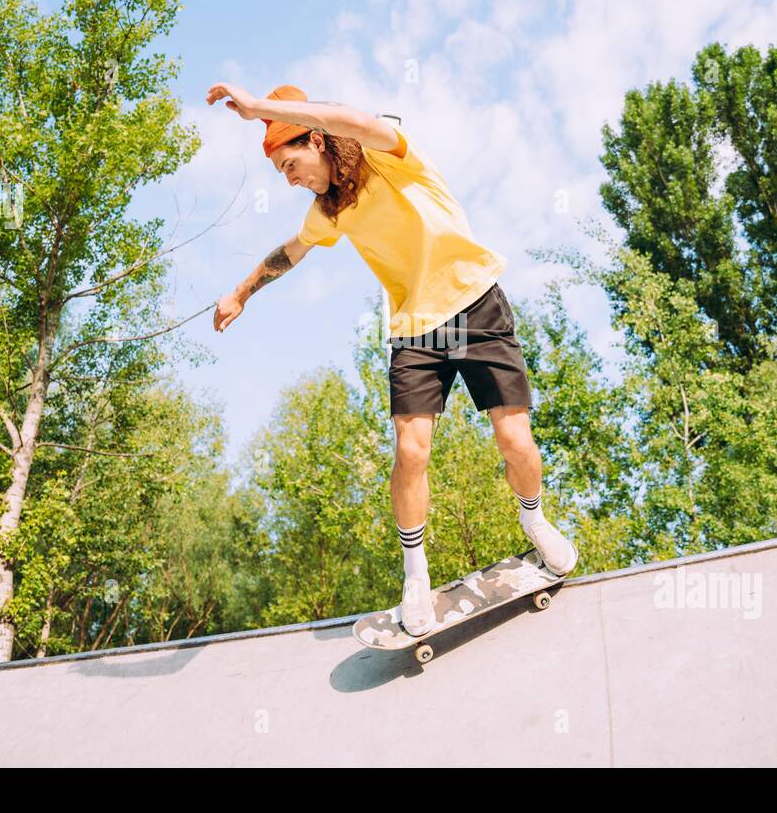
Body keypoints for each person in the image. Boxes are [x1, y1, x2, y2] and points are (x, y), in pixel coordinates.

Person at [207, 82, 577, 635]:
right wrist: (241, 291)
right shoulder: (329, 209)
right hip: (415, 331)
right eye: (281, 172)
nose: (290, 179)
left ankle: (534, 519)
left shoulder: (387, 152)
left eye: (291, 163)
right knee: (410, 451)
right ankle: (415, 574)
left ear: (318, 140)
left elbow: (347, 116)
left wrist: (260, 110)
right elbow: (291, 251)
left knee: (515, 441)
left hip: (475, 302)